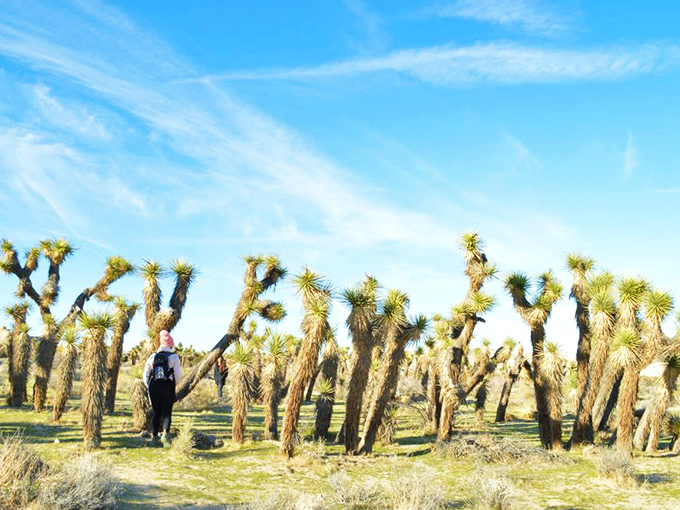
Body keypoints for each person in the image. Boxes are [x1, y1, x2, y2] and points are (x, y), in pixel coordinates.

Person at [143, 330, 182, 446]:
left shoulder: (153, 356)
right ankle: (165, 435)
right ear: (171, 344)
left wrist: (148, 385)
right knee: (167, 412)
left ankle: (154, 437)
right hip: (167, 386)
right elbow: (178, 375)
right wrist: (174, 384)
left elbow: (146, 373)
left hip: (154, 386)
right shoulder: (174, 357)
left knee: (156, 412)